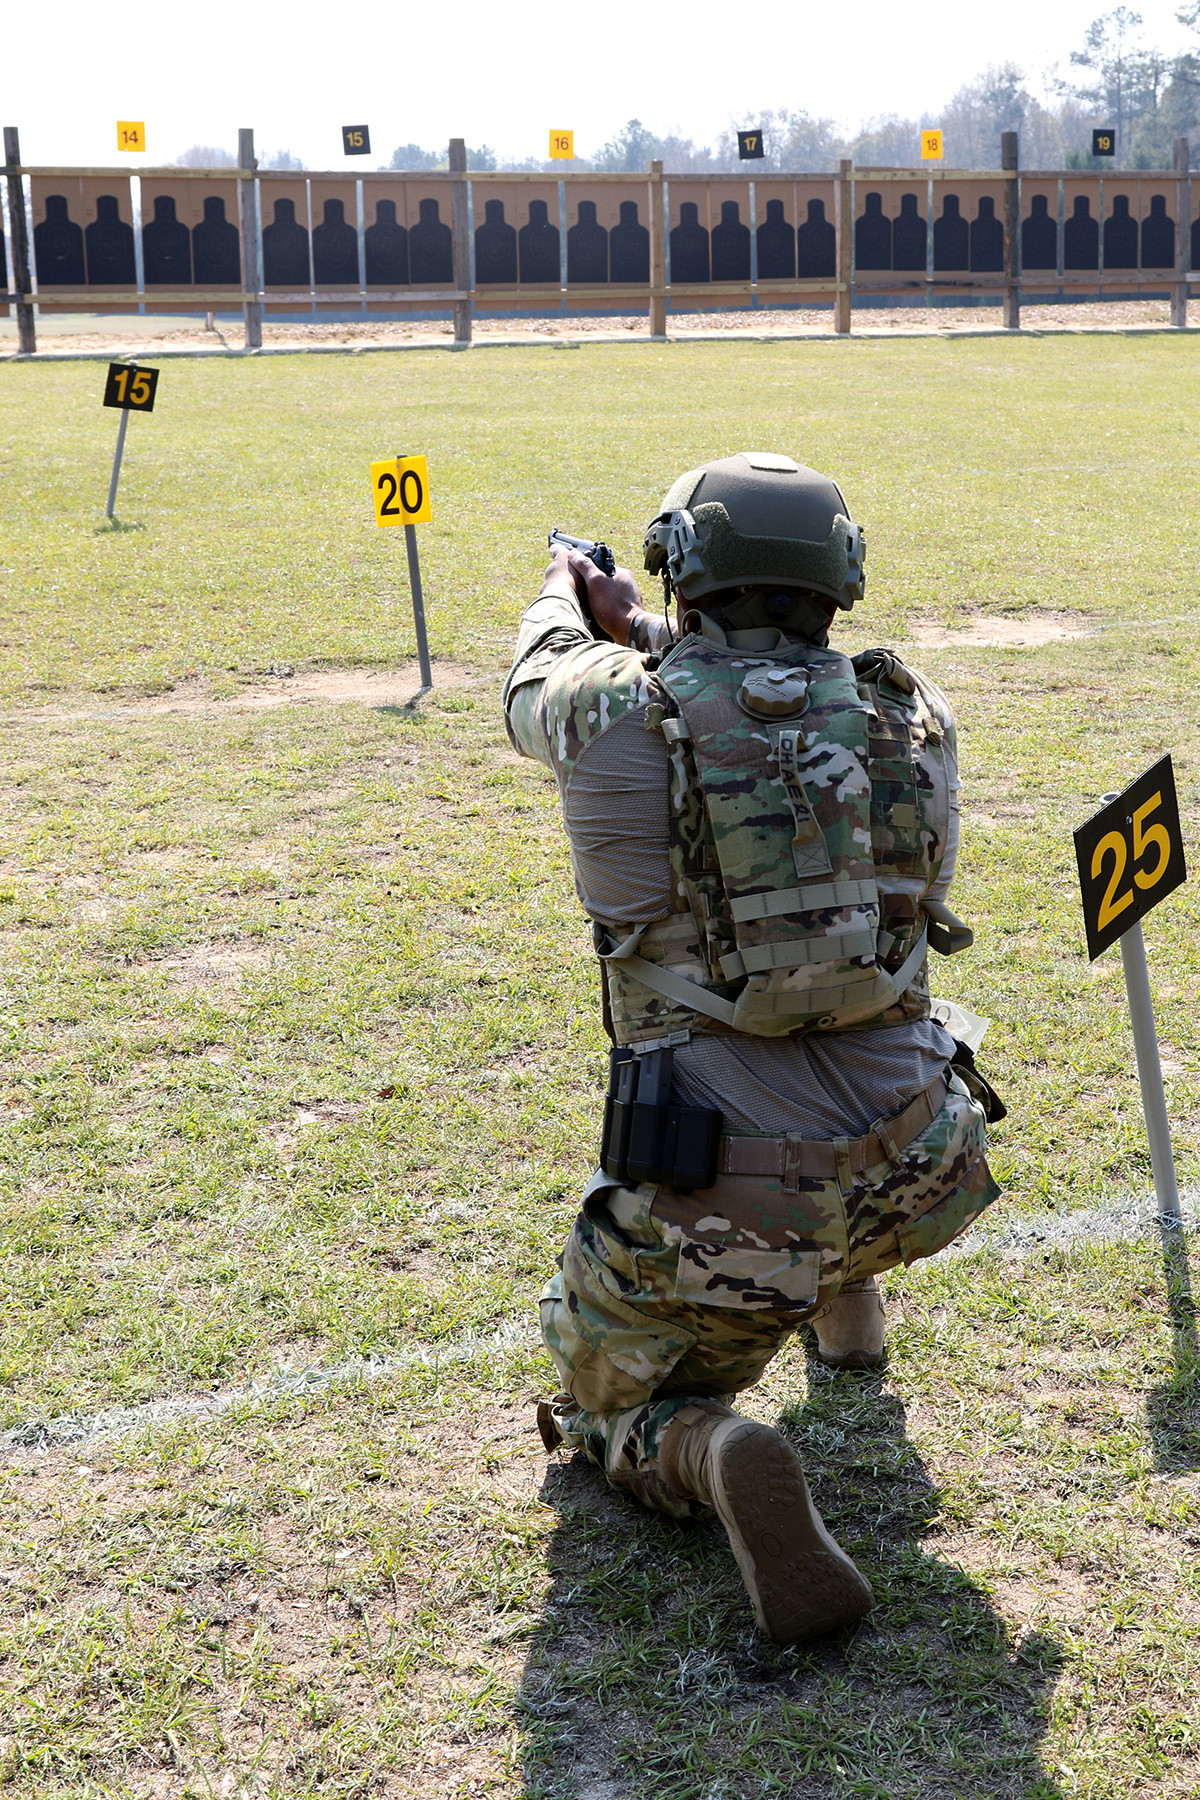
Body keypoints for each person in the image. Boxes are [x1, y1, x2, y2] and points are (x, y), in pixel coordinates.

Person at [503, 452, 1002, 1644]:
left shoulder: (615, 705)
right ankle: (849, 1314)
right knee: (836, 1010)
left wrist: (572, 592)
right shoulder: (912, 710)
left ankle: (714, 1453)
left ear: (682, 571)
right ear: (841, 577)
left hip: (725, 1204)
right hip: (924, 1166)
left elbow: (536, 679)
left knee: (597, 1396)